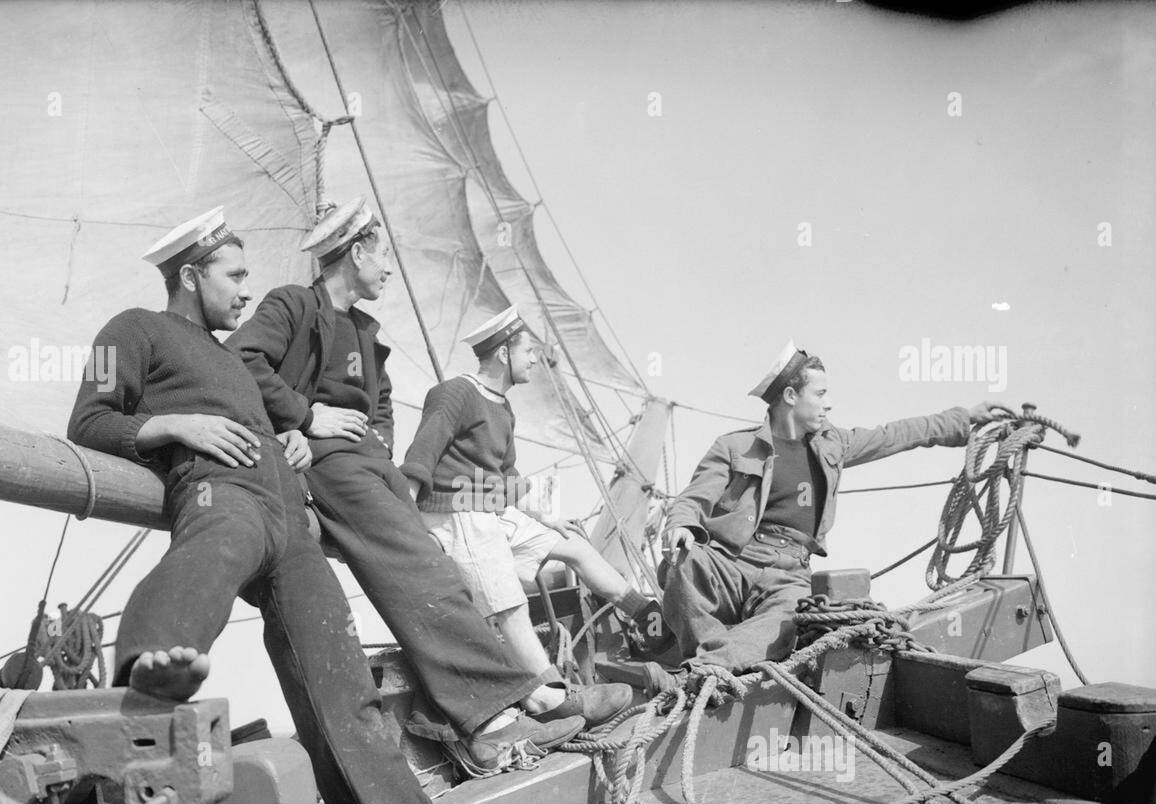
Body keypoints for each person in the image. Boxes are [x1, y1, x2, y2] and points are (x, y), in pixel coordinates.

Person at [66, 207, 534, 804]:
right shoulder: (132, 330)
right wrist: (179, 425)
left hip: (289, 508)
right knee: (215, 547)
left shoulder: (234, 358)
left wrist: (290, 439)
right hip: (220, 491)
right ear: (192, 276)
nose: (247, 288)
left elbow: (276, 417)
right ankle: (151, 660)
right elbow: (89, 420)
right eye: (235, 275)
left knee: (343, 679)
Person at [228, 199, 633, 775]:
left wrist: (379, 436)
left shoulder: (364, 331)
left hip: (367, 461)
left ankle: (531, 694)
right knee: (419, 569)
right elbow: (240, 357)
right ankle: (496, 724)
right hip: (325, 460)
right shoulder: (295, 304)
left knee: (440, 569)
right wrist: (305, 417)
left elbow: (383, 402)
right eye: (384, 253)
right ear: (357, 252)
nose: (390, 267)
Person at [660, 340, 1002, 673]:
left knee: (790, 620)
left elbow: (895, 434)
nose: (828, 405)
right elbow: (693, 499)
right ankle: (710, 653)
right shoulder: (735, 447)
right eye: (820, 394)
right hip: (734, 562)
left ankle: (708, 668)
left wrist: (964, 418)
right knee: (683, 561)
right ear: (791, 397)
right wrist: (682, 525)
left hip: (788, 575)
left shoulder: (833, 444)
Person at [400, 305, 665, 675]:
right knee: (511, 607)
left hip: (492, 512)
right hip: (457, 515)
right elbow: (420, 458)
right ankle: (554, 694)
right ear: (504, 353)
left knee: (577, 548)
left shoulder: (504, 408)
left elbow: (509, 476)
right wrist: (405, 524)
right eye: (528, 352)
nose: (535, 361)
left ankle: (651, 619)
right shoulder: (454, 393)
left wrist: (550, 519)